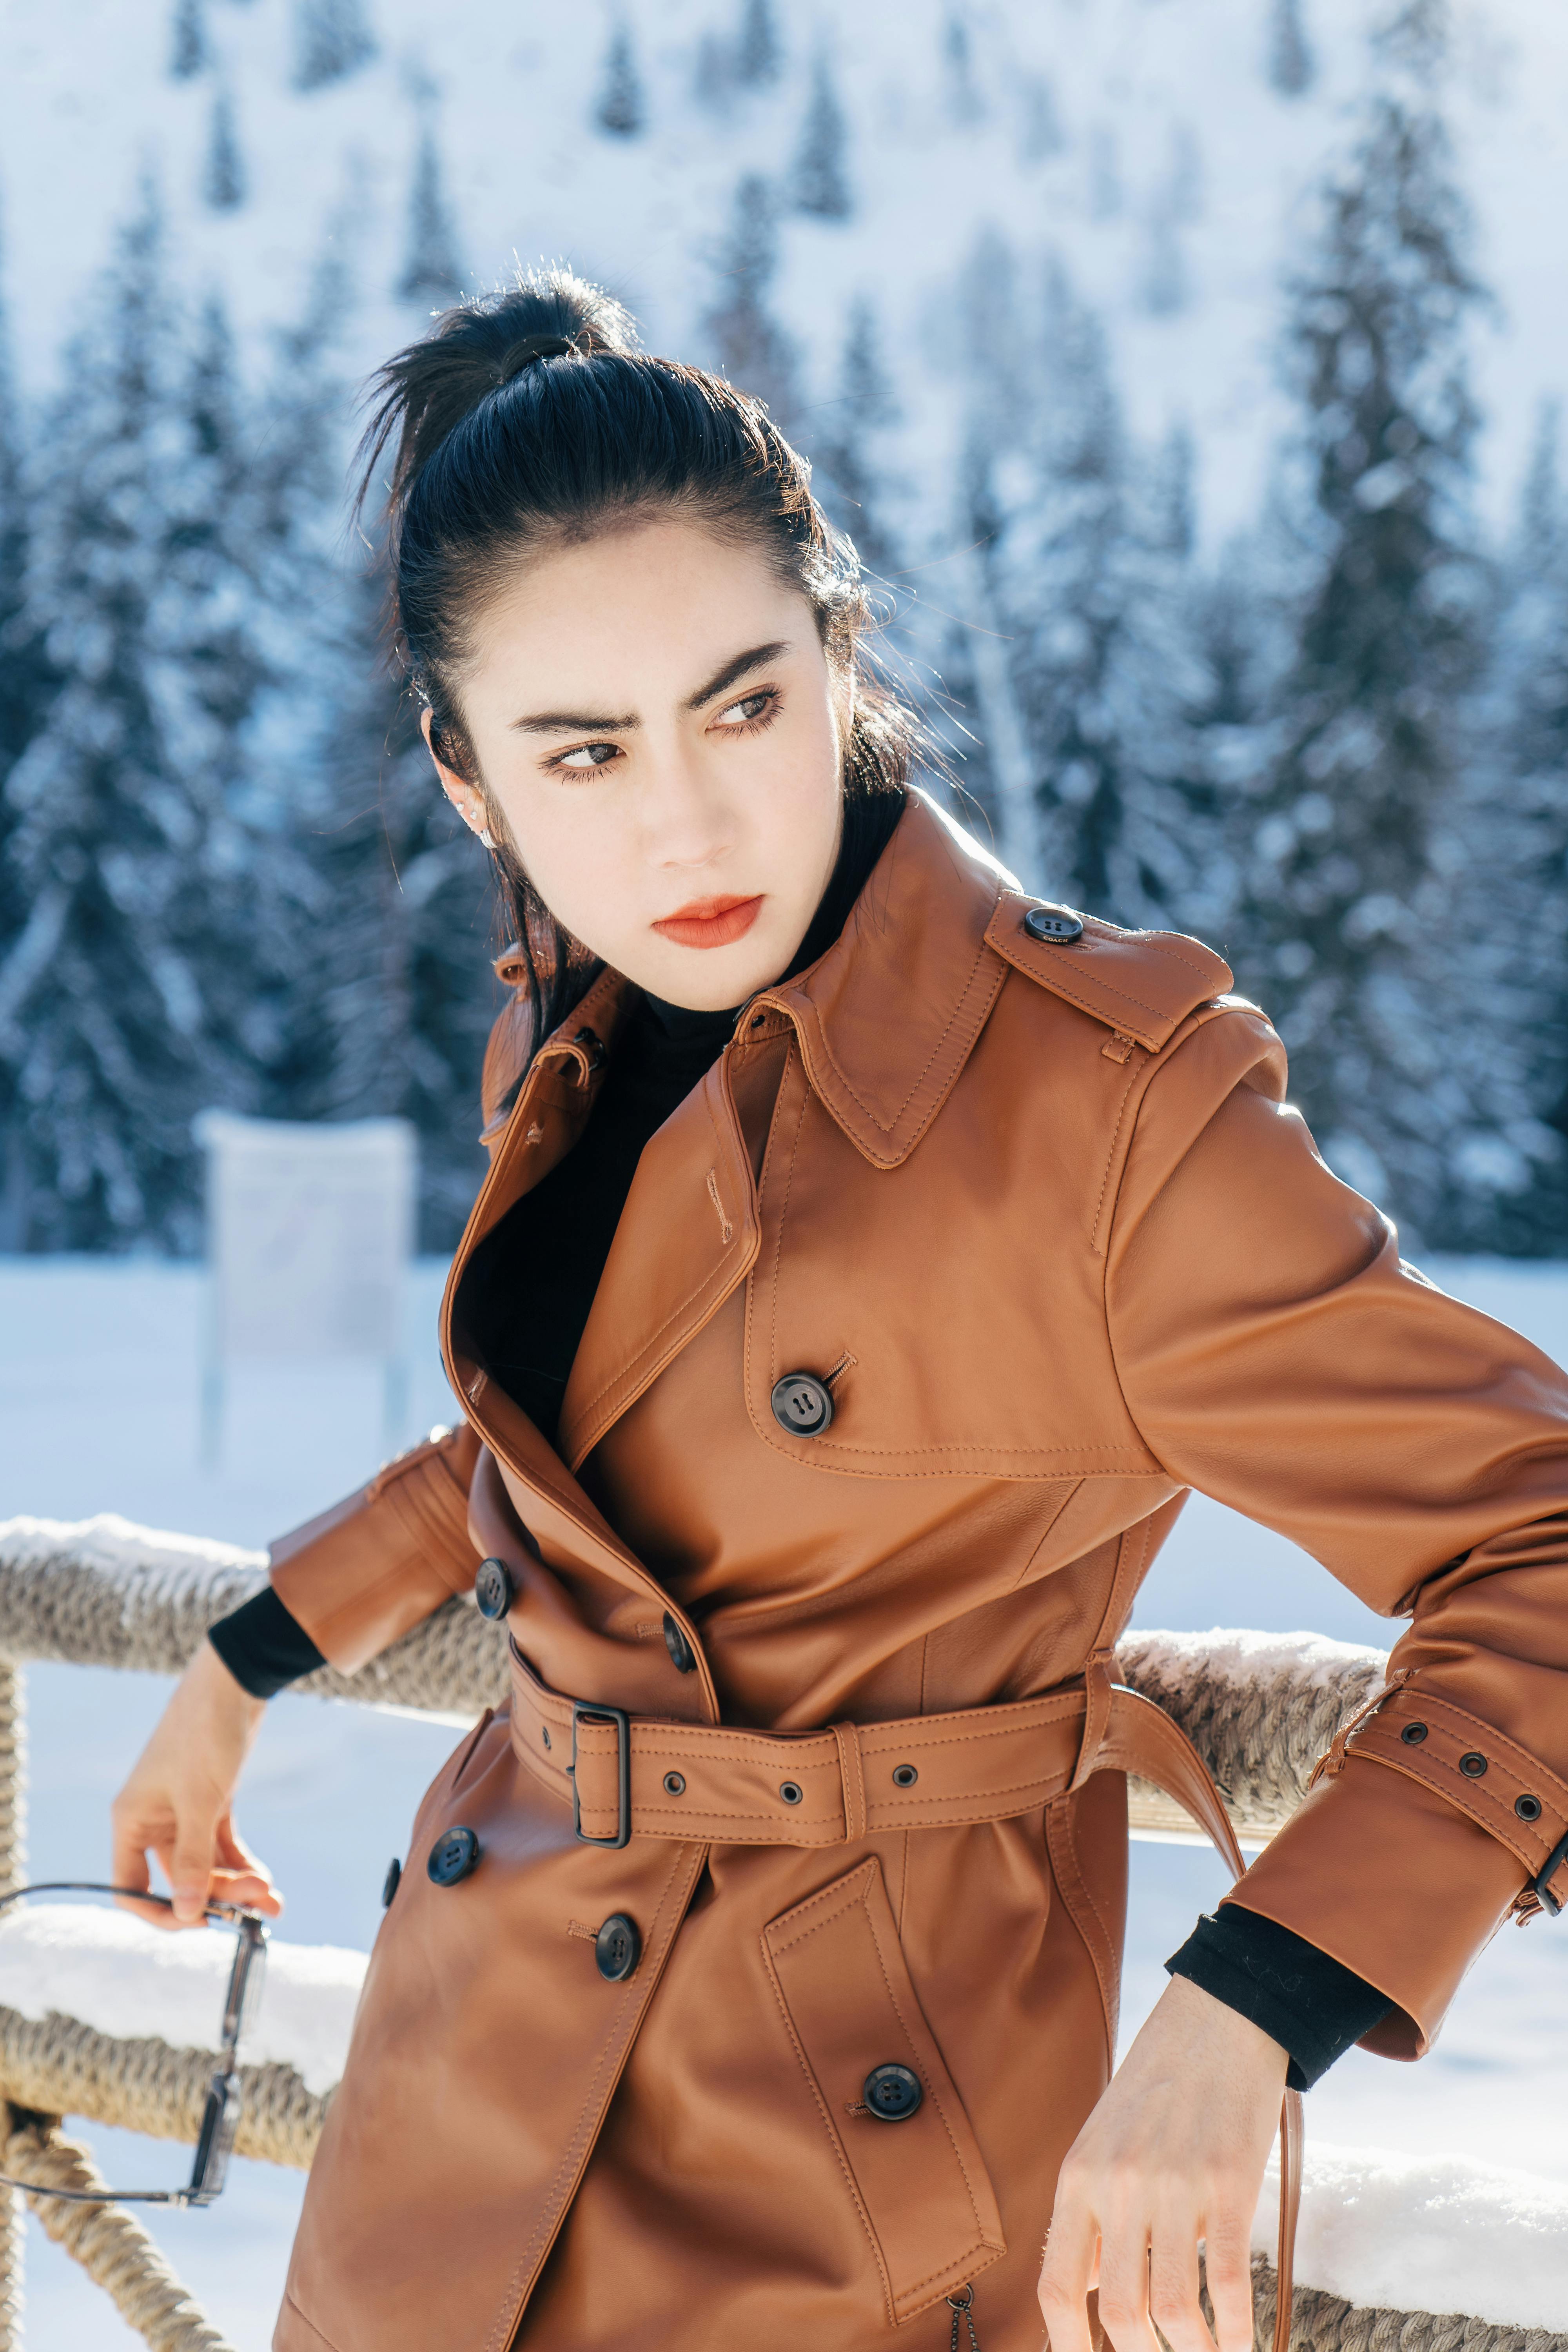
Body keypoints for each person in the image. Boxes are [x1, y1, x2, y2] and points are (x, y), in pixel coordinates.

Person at [111, 272, 1568, 2352]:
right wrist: (249, 1651)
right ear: (465, 780)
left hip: (837, 2181)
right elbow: (583, 1461)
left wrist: (1258, 1997)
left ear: (839, 646)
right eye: (583, 751)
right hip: (460, 2093)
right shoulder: (587, 1016)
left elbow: (1542, 1536)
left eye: (743, 705)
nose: (687, 823)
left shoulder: (1099, 1103)